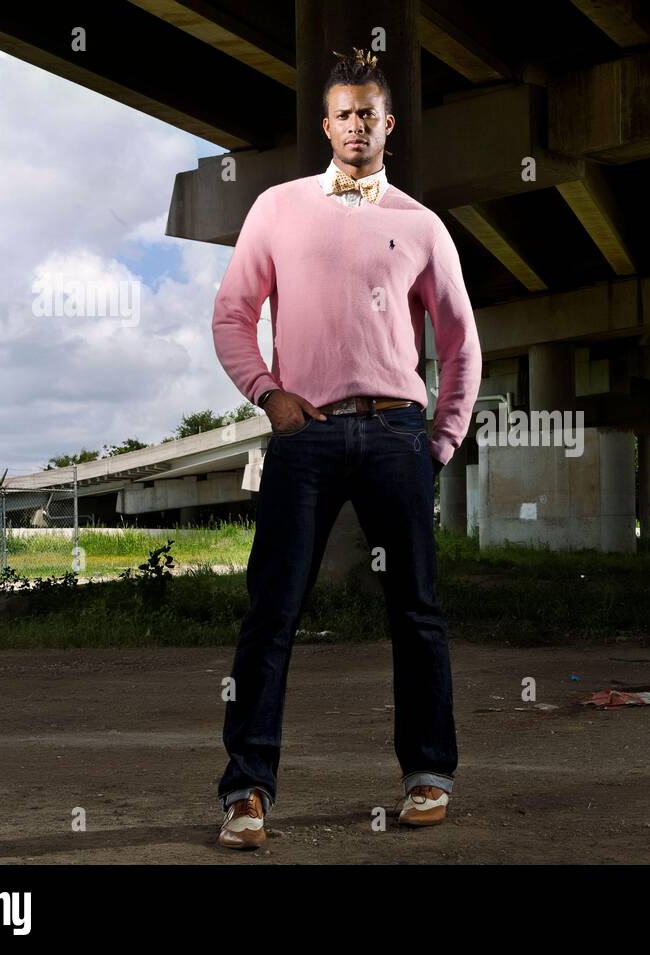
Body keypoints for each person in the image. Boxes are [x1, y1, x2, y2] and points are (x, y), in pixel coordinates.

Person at [210, 47, 482, 849]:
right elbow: (232, 315)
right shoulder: (277, 209)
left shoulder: (421, 225)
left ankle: (428, 774)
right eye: (343, 114)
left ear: (388, 125)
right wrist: (268, 392)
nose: (356, 125)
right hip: (308, 434)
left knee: (416, 611)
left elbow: (460, 342)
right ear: (326, 126)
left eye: (369, 113)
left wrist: (441, 440)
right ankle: (246, 791)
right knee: (272, 610)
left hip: (397, 433)